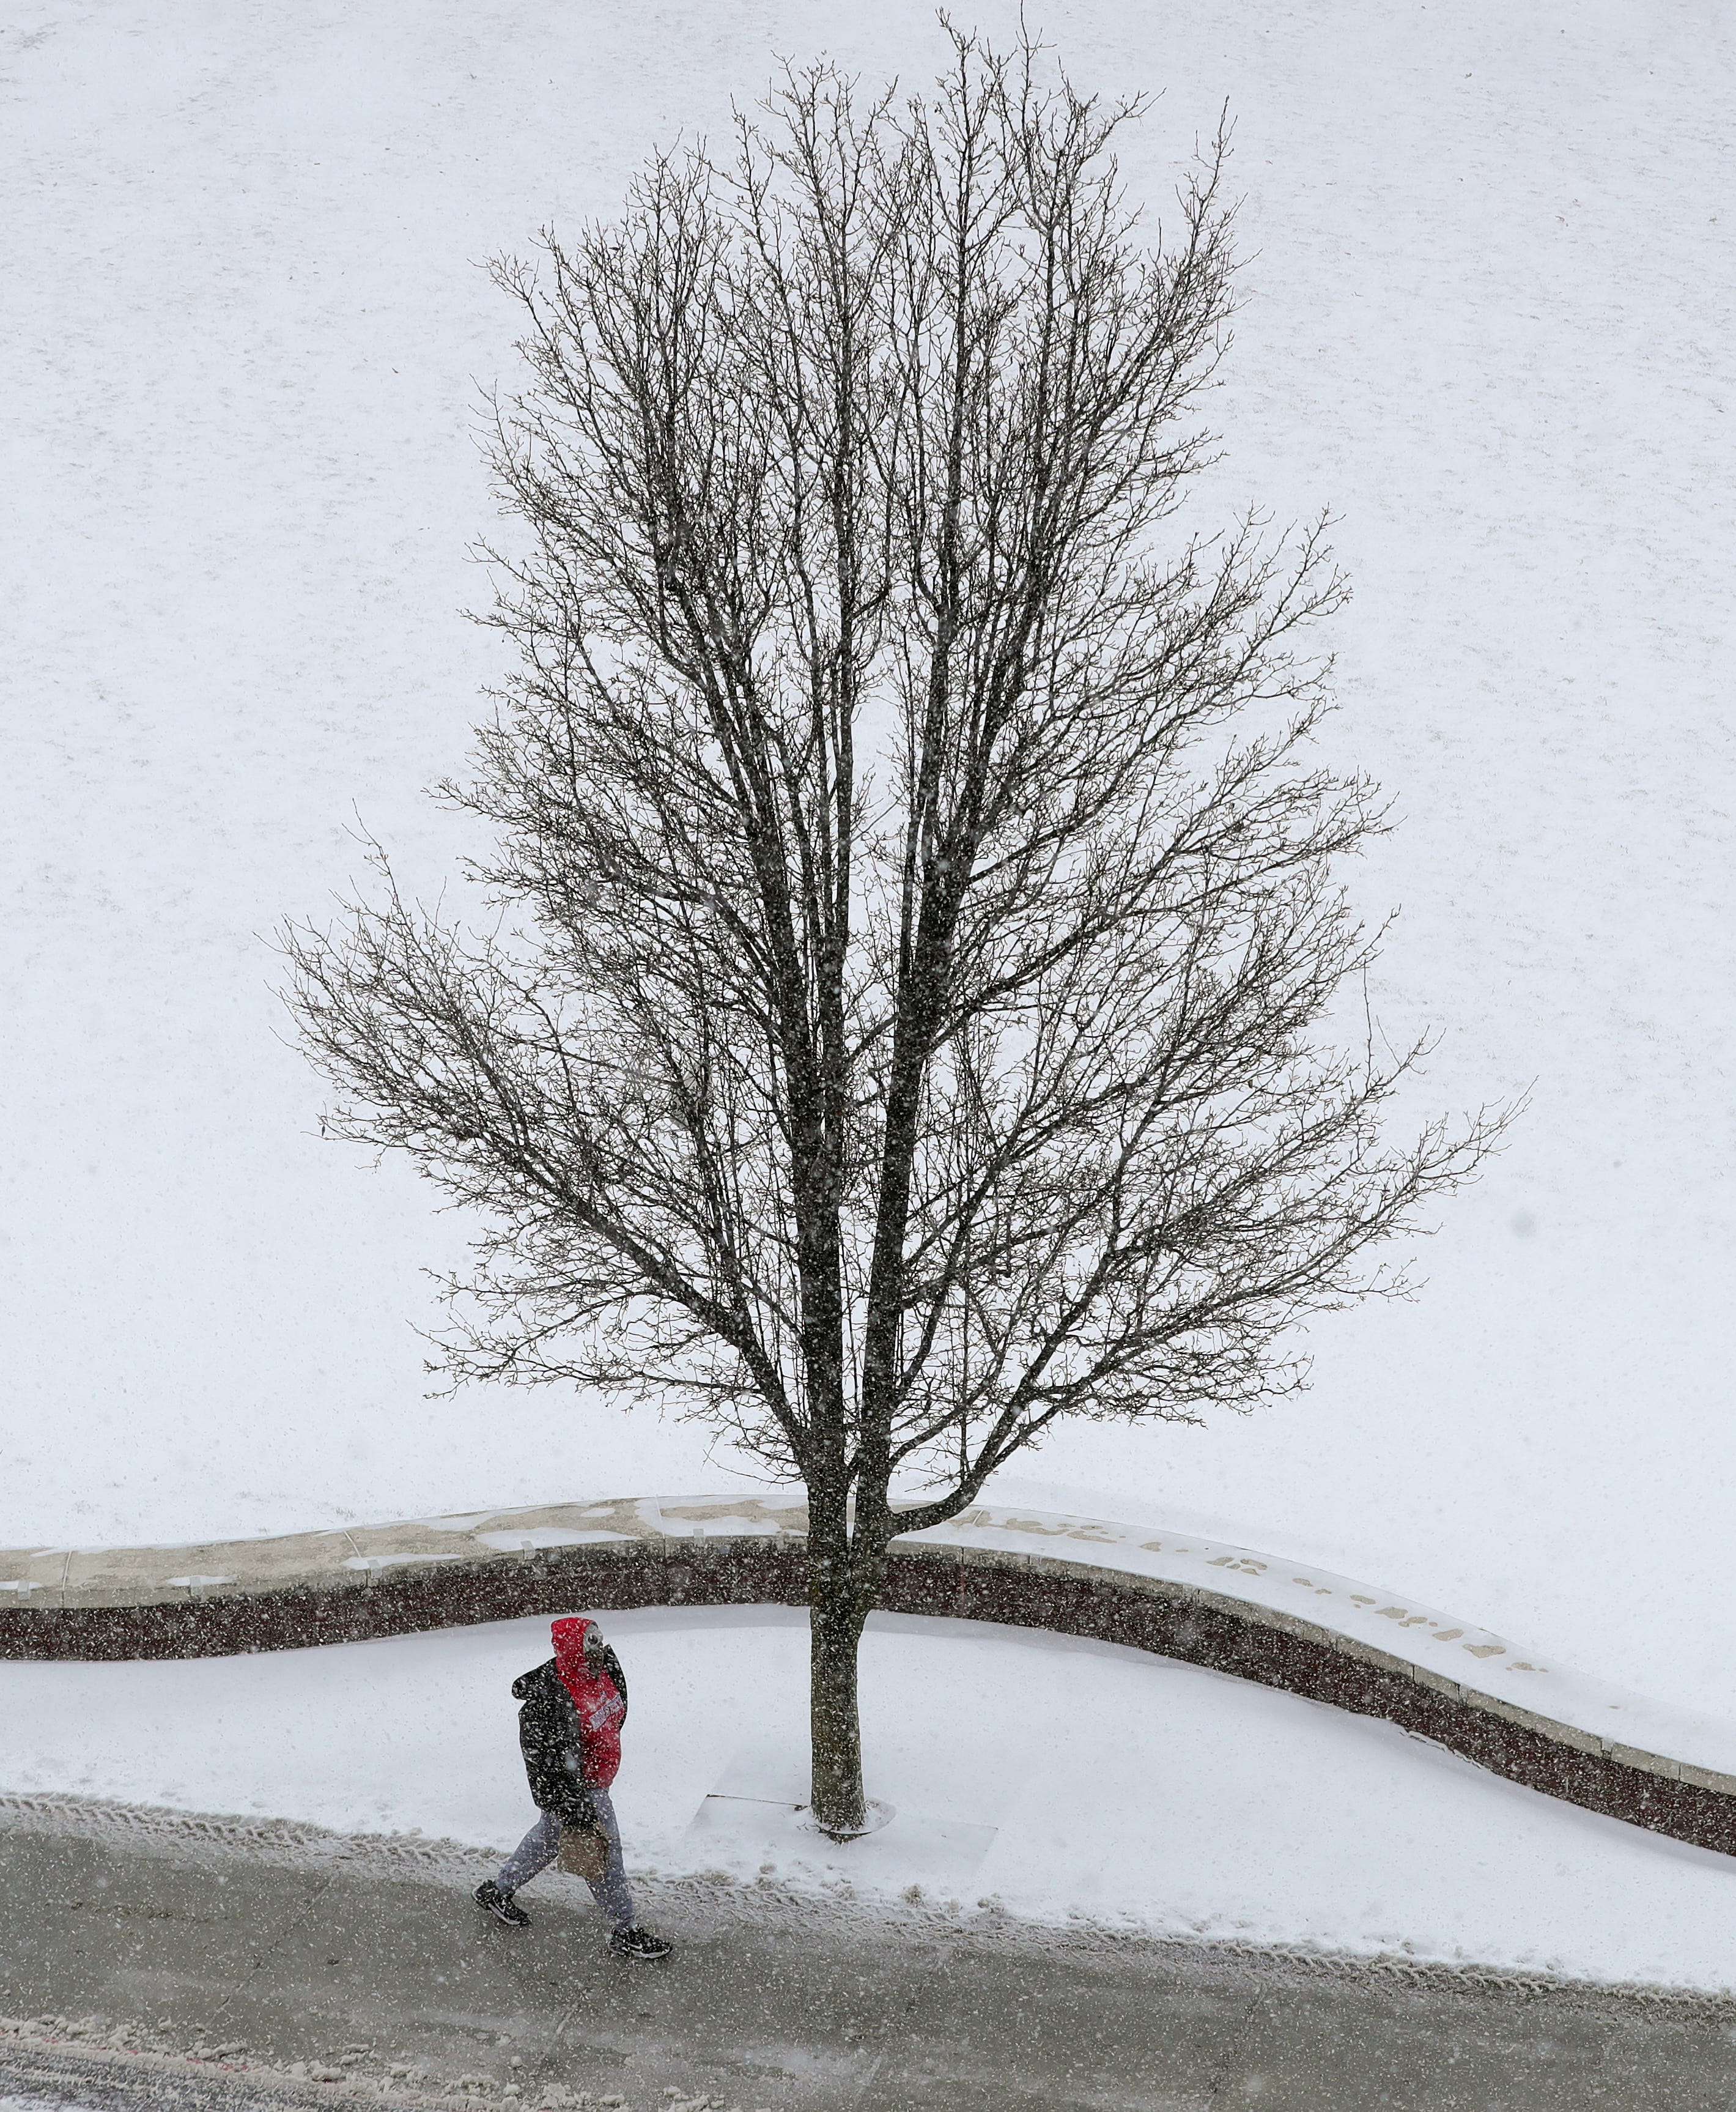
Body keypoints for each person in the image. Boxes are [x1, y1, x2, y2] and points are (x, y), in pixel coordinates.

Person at [475, 1615, 671, 1962]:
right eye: (589, 1642)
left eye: (599, 1639)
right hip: (580, 1791)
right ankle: (625, 1931)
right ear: (573, 1649)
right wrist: (576, 1806)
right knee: (604, 1857)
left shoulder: (604, 1671)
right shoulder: (551, 1699)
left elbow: (617, 1710)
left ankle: (497, 1891)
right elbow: (545, 1763)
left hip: (593, 1784)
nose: (598, 1648)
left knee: (548, 1839)